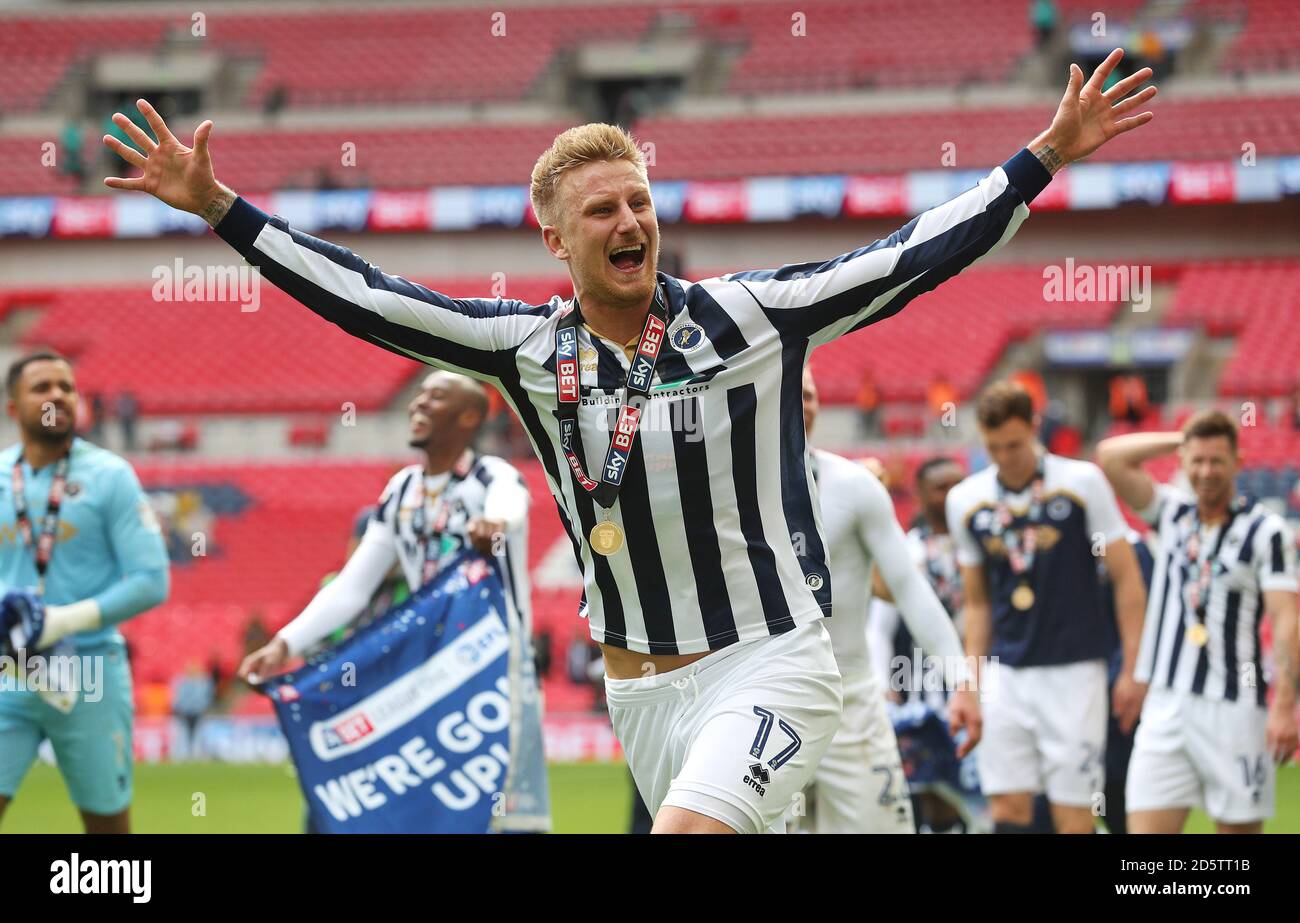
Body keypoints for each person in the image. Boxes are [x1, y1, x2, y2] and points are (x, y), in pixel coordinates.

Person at [104, 50, 1157, 833]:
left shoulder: (748, 317)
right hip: (641, 690)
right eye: (600, 208)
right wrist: (220, 210)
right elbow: (370, 298)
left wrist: (1041, 157)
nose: (627, 221)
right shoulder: (523, 349)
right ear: (555, 239)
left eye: (639, 200)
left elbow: (904, 257)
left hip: (771, 660)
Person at [238, 370, 547, 832]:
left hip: (494, 669)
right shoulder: (401, 490)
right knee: (432, 814)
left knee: (507, 818)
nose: (417, 405)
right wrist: (284, 644)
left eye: (434, 398)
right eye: (418, 396)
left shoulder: (492, 476)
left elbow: (511, 503)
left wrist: (496, 522)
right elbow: (352, 587)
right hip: (424, 675)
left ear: (468, 417)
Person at [946, 381, 1148, 833]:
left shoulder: (1080, 482)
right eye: (994, 446)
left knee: (1073, 811)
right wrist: (968, 683)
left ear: (1035, 428)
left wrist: (1133, 668)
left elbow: (1126, 577)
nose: (1005, 456)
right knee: (1008, 809)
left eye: (1015, 444)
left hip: (1075, 672)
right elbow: (977, 603)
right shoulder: (966, 500)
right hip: (1005, 673)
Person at [1098, 411, 1299, 834]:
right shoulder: (1172, 513)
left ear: (1237, 463)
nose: (1206, 472)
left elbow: (1286, 619)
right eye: (1197, 460)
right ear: (1184, 462)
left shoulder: (1267, 531)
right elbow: (1111, 458)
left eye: (1217, 461)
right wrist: (1181, 437)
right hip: (1166, 706)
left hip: (1236, 708)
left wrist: (1285, 706)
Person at [800, 368, 978, 834]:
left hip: (852, 702)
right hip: (762, 700)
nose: (803, 405)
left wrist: (960, 678)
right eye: (791, 394)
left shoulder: (855, 486)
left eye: (811, 395)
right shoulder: (725, 487)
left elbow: (907, 587)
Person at [0, 352, 170, 833]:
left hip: (90, 669)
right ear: (13, 408)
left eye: (66, 387)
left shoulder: (111, 476)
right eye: (41, 387)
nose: (57, 395)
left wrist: (60, 622)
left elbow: (152, 581)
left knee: (107, 827)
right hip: (7, 672)